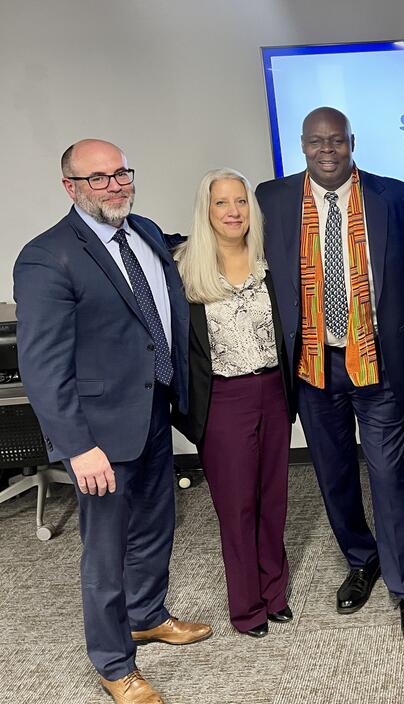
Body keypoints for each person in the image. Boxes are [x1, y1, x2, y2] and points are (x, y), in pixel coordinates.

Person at [13, 139, 212, 704]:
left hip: (152, 407)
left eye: (121, 172)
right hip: (97, 430)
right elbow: (42, 365)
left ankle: (147, 615)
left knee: (155, 524)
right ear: (70, 187)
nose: (115, 185)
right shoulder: (47, 256)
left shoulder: (144, 230)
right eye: (98, 178)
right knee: (105, 550)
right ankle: (113, 663)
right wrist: (76, 445)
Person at [255, 107, 404, 644]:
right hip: (313, 365)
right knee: (332, 473)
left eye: (336, 141)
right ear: (303, 145)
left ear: (352, 142)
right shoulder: (273, 199)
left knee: (386, 472)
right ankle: (361, 559)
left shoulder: (394, 196)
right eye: (316, 142)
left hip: (377, 361)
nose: (327, 150)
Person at [171, 168, 294, 638]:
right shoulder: (184, 267)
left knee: (273, 499)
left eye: (240, 201)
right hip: (223, 399)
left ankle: (274, 593)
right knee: (237, 506)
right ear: (207, 210)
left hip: (273, 393)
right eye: (222, 203)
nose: (233, 212)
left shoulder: (270, 262)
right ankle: (246, 608)